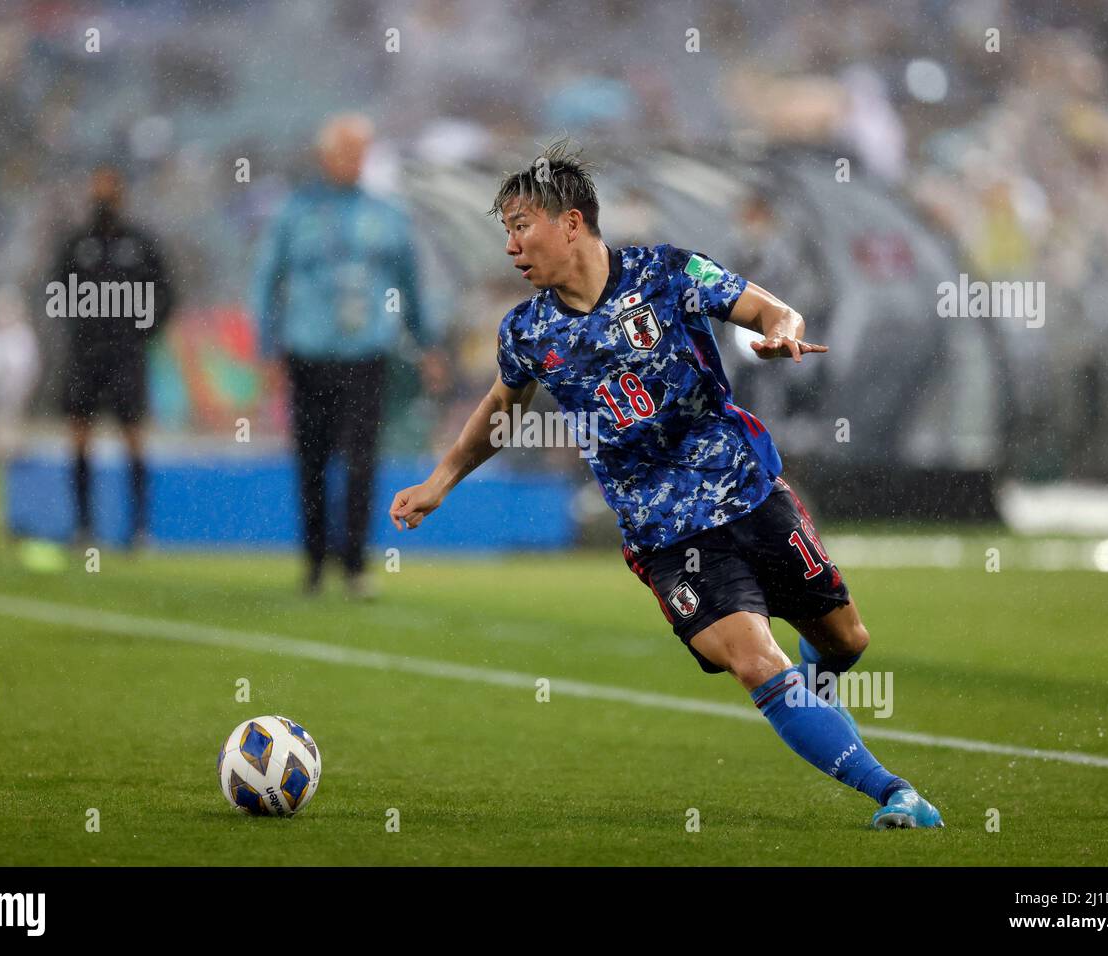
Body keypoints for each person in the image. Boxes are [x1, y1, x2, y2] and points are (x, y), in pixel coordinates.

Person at [389, 139, 944, 829]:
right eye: (506, 231)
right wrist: (441, 481)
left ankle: (819, 693)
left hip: (746, 489)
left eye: (520, 226)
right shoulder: (526, 330)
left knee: (847, 641)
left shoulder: (667, 272)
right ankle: (894, 793)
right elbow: (501, 410)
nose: (510, 246)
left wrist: (781, 333)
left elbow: (770, 310)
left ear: (571, 222)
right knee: (751, 660)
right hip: (663, 532)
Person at [251, 114, 441, 598]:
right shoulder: (294, 212)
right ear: (325, 155)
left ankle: (355, 564)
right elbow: (266, 281)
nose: (355, 161)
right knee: (311, 461)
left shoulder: (387, 214)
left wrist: (427, 344)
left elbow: (410, 285)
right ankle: (314, 563)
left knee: (362, 461)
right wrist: (266, 347)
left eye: (362, 152)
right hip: (308, 352)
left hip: (365, 356)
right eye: (347, 151)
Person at [53, 166, 173, 549]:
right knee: (78, 435)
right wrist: (83, 327)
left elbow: (165, 295)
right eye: (97, 189)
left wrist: (140, 333)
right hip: (86, 356)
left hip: (126, 356)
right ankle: (84, 528)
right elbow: (56, 293)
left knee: (134, 436)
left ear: (121, 194)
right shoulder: (76, 244)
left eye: (108, 189)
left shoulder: (140, 244)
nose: (102, 197)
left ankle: (139, 529)